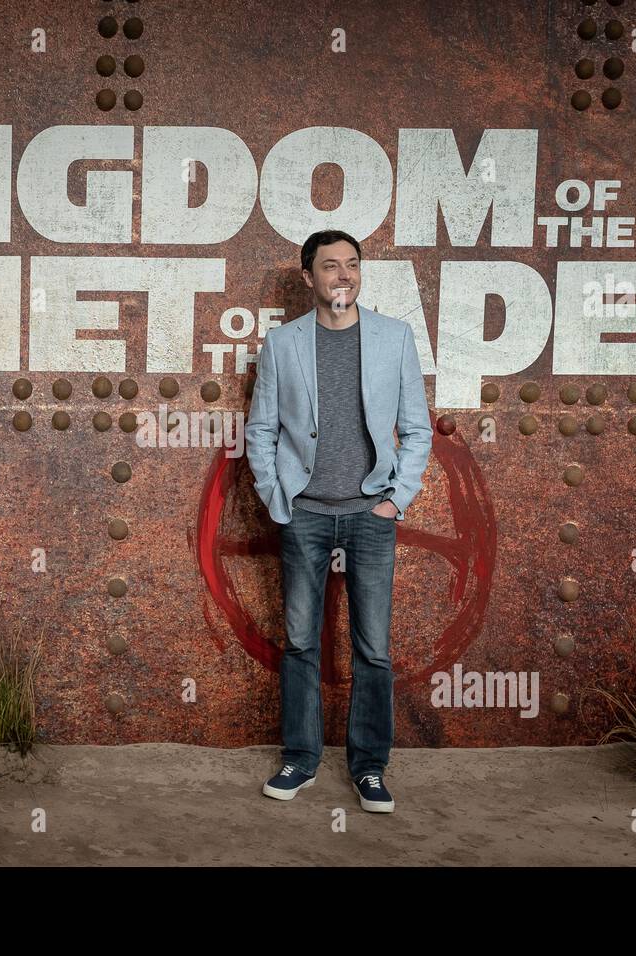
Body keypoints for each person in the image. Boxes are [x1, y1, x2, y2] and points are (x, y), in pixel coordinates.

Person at [244, 229, 433, 812]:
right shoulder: (282, 345)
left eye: (352, 264)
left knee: (373, 647)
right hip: (305, 513)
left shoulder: (395, 338)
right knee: (301, 641)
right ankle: (300, 759)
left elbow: (418, 428)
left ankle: (370, 767)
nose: (344, 275)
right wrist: (281, 501)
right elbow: (262, 430)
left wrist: (395, 500)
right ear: (309, 277)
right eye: (331, 266)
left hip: (370, 513)